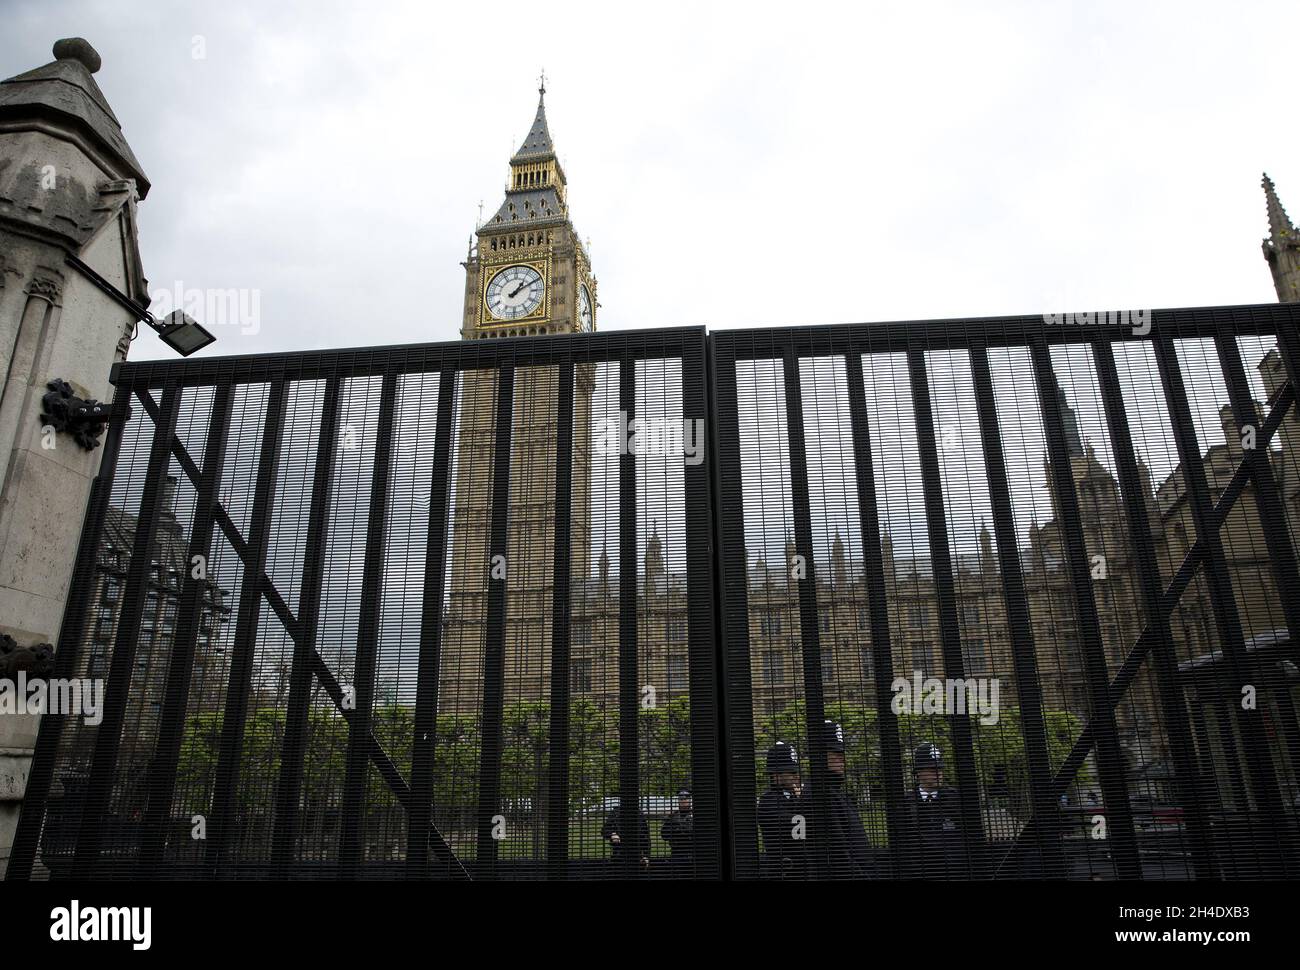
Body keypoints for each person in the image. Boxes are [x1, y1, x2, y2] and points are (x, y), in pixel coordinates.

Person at [905, 742, 970, 879]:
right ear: (918, 772)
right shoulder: (905, 803)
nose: (938, 773)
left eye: (940, 769)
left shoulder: (957, 800)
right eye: (931, 769)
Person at [817, 720, 872, 878]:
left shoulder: (836, 793)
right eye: (836, 754)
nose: (843, 760)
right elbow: (839, 852)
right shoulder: (822, 794)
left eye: (843, 754)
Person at [757, 741, 807, 879]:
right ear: (776, 775)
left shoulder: (793, 797)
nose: (796, 775)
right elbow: (799, 827)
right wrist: (803, 802)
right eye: (791, 771)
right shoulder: (768, 802)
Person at [601, 795, 651, 874]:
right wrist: (612, 834)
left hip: (636, 856)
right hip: (618, 855)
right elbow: (604, 830)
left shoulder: (639, 814)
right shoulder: (615, 813)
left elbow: (646, 837)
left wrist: (646, 856)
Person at [661, 788, 695, 875]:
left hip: (692, 855)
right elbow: (664, 835)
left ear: (690, 800)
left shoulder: (694, 816)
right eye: (680, 799)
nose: (683, 801)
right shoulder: (673, 817)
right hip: (677, 855)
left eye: (686, 798)